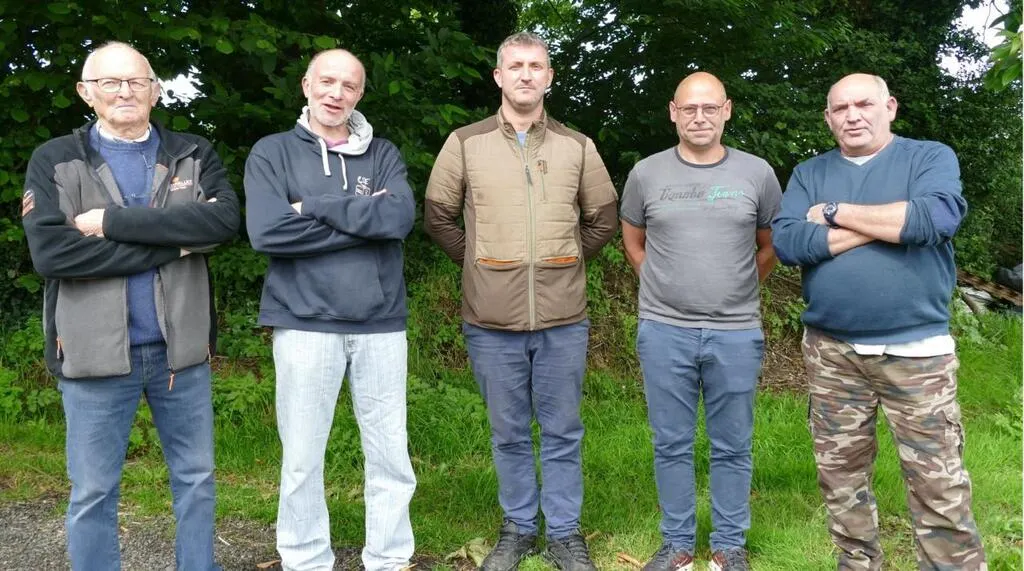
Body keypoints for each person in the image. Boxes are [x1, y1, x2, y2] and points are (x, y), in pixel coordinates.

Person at [21, 41, 240, 571]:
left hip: (181, 355)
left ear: (155, 90)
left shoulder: (192, 152)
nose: (125, 92)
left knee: (196, 482)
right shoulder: (56, 158)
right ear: (85, 92)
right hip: (95, 357)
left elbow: (223, 223)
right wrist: (175, 244)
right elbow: (53, 253)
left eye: (137, 81)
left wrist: (112, 223)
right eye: (110, 82)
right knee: (93, 493)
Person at [771, 73, 987, 570]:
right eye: (839, 108)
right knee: (841, 477)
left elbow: (932, 222)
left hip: (917, 355)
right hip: (832, 353)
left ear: (889, 106)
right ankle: (857, 564)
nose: (852, 115)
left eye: (863, 103)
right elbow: (788, 244)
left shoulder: (928, 157)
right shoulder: (809, 170)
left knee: (938, 483)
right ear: (827, 118)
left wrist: (832, 213)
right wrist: (888, 226)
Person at [423, 31, 617, 571]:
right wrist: (479, 260)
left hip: (563, 318)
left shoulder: (577, 146)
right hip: (490, 319)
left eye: (536, 66)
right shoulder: (465, 142)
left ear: (549, 77)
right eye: (516, 66)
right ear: (499, 77)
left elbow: (601, 219)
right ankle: (517, 528)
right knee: (508, 431)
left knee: (561, 429)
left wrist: (564, 258)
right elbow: (438, 216)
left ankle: (564, 533)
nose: (526, 74)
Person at [244, 48, 417, 571]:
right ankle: (304, 559)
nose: (335, 93)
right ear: (305, 85)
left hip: (381, 324)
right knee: (301, 458)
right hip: (302, 324)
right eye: (327, 82)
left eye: (348, 85)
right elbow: (269, 231)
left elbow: (399, 218)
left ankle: (388, 558)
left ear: (360, 93)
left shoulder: (382, 152)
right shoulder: (272, 152)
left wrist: (314, 209)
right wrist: (362, 223)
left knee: (390, 456)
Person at [620, 72, 780, 571]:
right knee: (671, 442)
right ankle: (677, 545)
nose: (699, 117)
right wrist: (663, 285)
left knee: (733, 443)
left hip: (736, 331)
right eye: (689, 109)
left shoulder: (757, 174)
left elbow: (770, 243)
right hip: (664, 329)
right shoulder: (646, 174)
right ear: (673, 112)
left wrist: (736, 286)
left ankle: (729, 546)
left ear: (727, 110)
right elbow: (633, 241)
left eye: (710, 108)